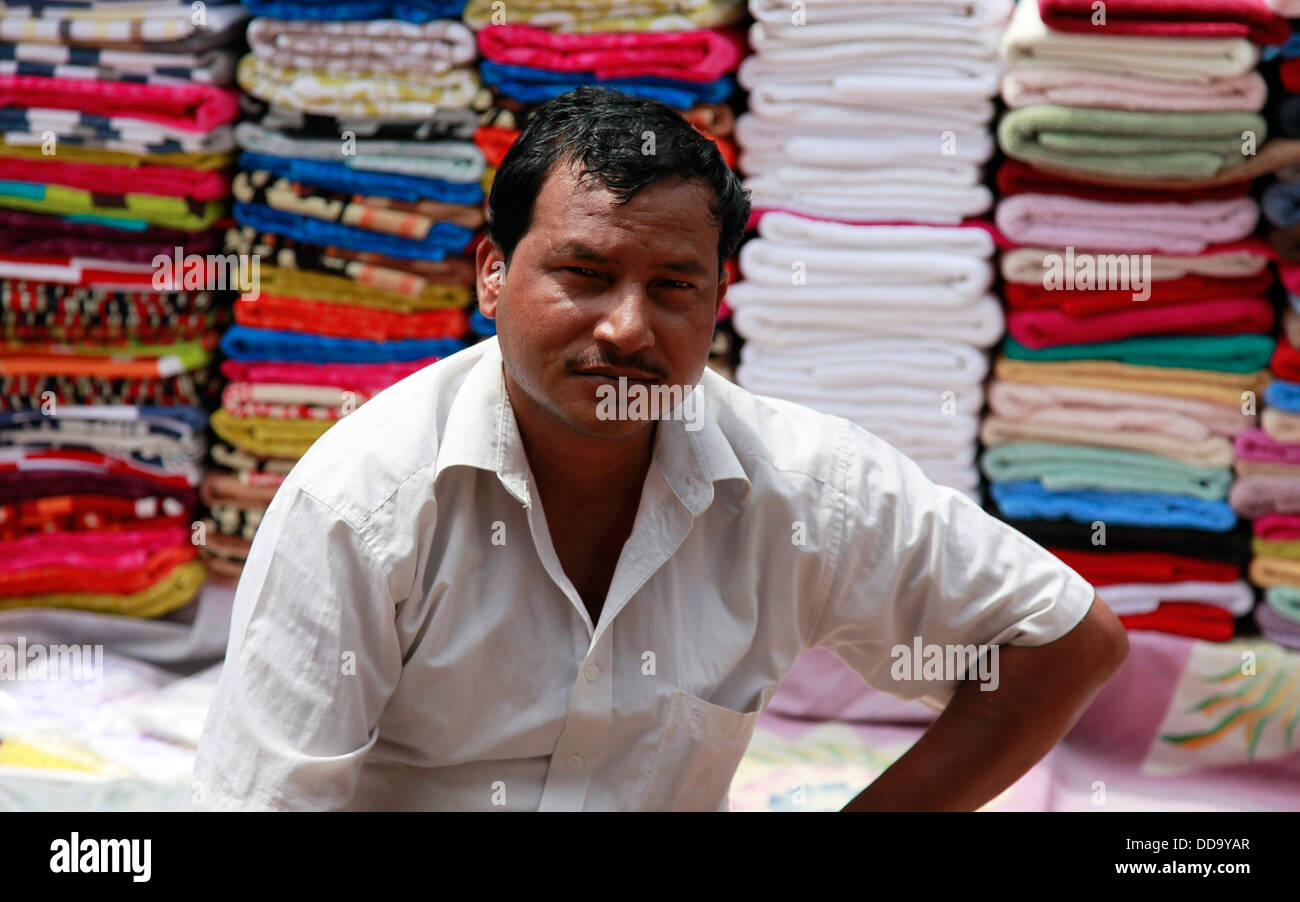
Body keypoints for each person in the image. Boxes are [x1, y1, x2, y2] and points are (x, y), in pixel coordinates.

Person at [190, 86, 1128, 812]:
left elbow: (1064, 642)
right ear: (490, 272)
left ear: (717, 300)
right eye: (584, 274)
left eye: (675, 285)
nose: (629, 328)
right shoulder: (361, 501)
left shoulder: (798, 483)